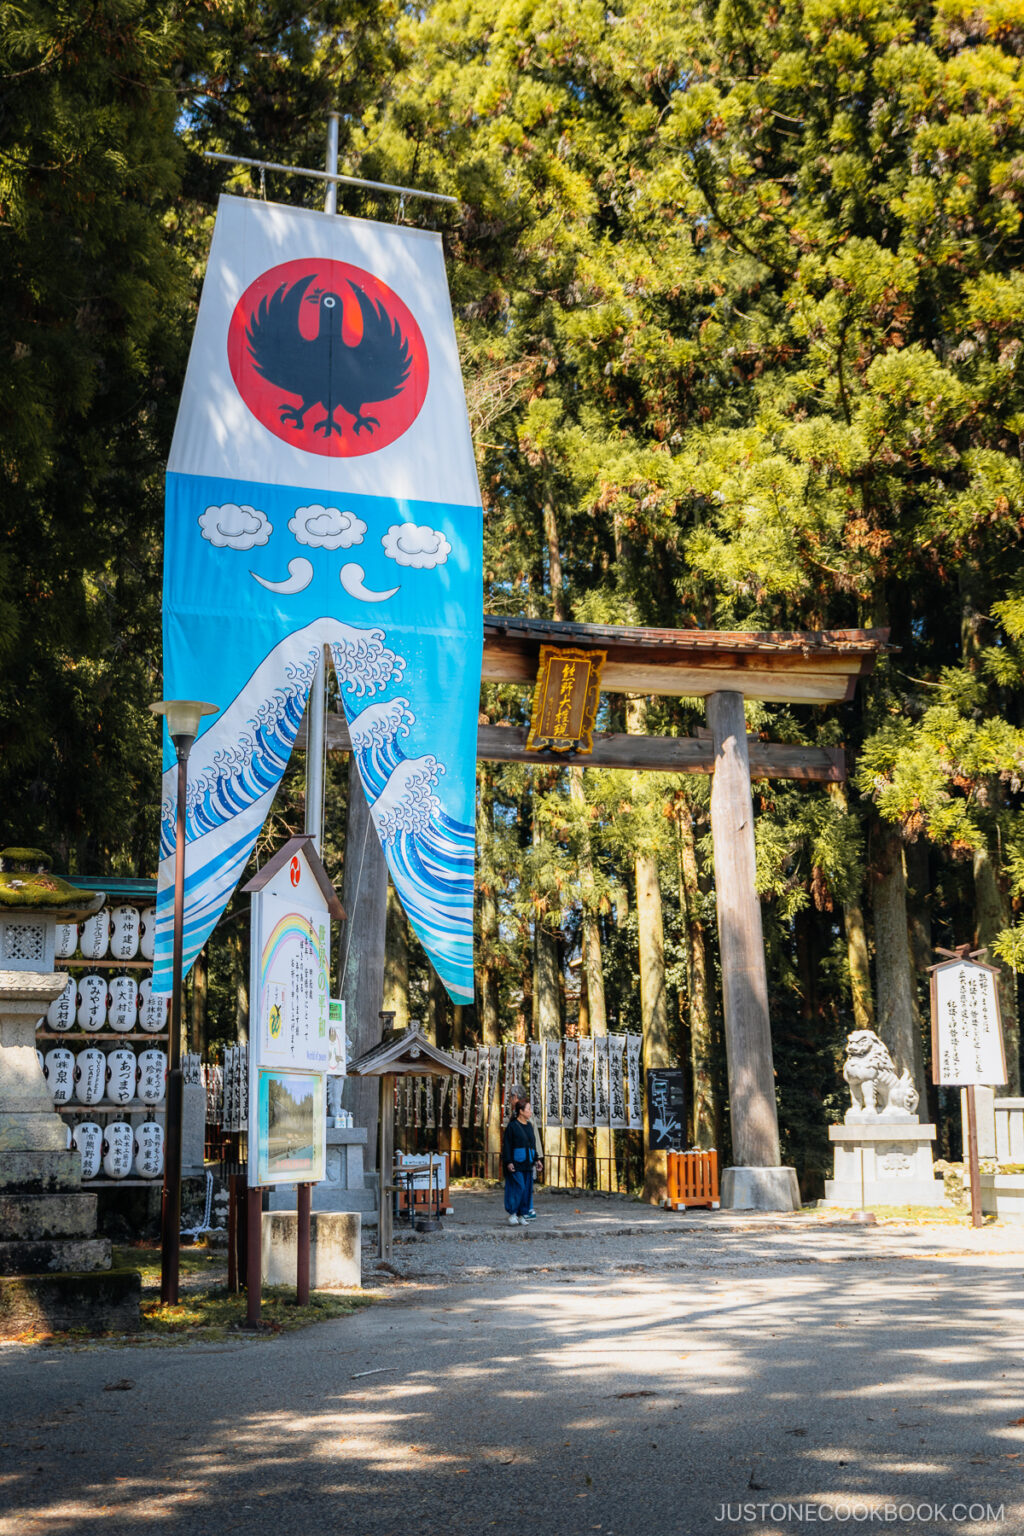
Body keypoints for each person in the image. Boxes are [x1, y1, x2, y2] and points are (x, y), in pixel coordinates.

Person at [502, 1097, 543, 1225]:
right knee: (518, 1187)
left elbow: (532, 1144)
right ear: (521, 1111)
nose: (530, 1112)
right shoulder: (512, 1126)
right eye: (529, 1109)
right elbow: (507, 1145)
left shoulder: (529, 1126)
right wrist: (508, 1162)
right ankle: (512, 1213)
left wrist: (537, 1160)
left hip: (528, 1163)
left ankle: (521, 1215)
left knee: (526, 1189)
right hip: (516, 1163)